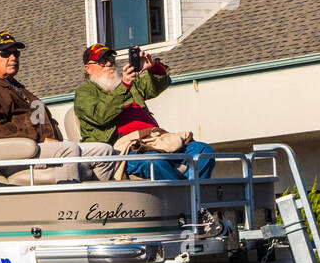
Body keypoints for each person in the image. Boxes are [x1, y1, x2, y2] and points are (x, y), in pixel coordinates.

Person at [0, 31, 110, 183]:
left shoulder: (18, 89)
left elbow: (41, 121)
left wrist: (52, 139)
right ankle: (69, 204)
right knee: (68, 151)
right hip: (15, 155)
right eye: (5, 53)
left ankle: (97, 204)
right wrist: (40, 139)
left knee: (104, 151)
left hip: (40, 148)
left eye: (16, 53)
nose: (13, 57)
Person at [73, 43, 215, 181]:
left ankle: (191, 196)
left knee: (203, 151)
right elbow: (100, 116)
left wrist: (153, 67)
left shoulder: (127, 84)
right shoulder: (85, 92)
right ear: (88, 68)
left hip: (156, 138)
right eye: (102, 61)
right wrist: (124, 86)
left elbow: (158, 84)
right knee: (155, 162)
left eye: (111, 59)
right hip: (124, 148)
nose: (109, 64)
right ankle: (184, 198)